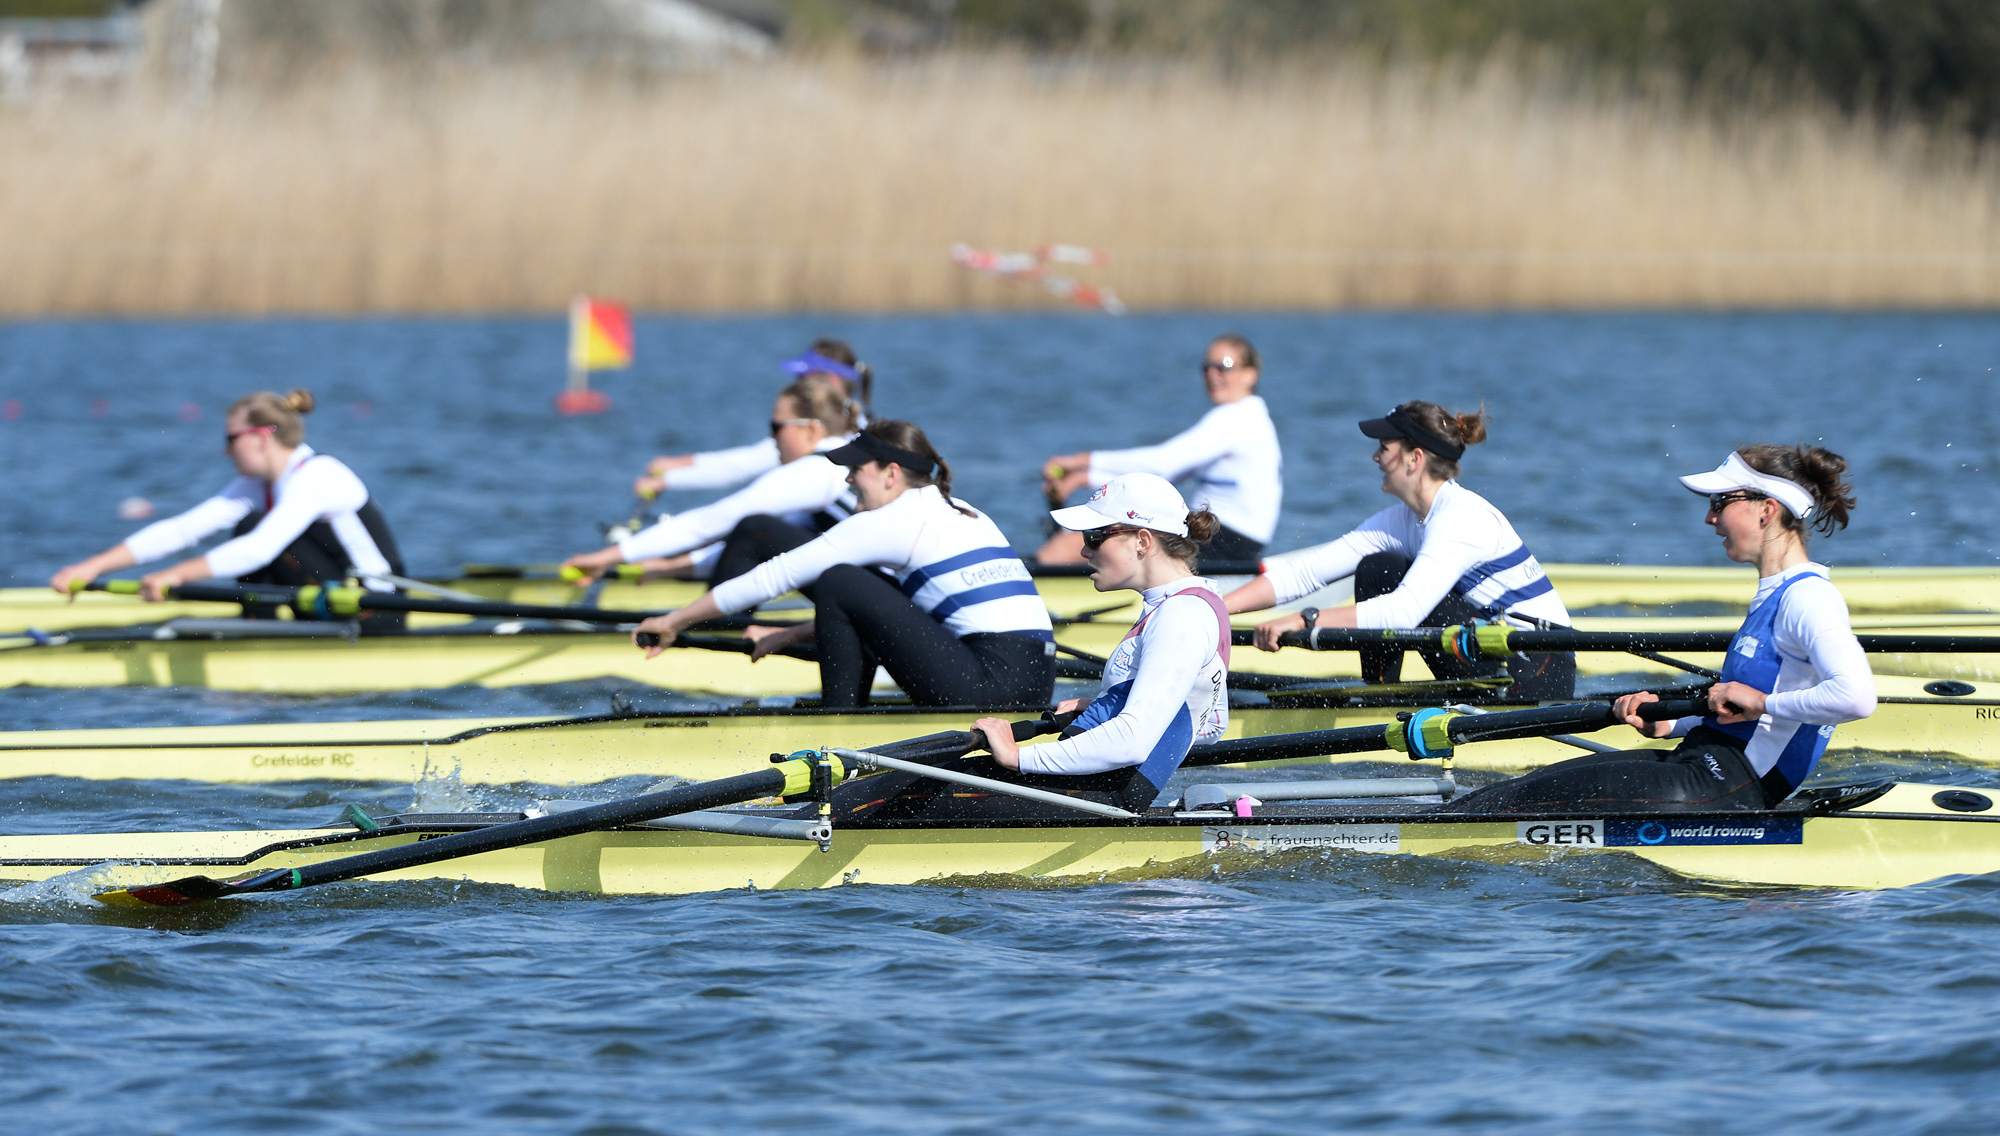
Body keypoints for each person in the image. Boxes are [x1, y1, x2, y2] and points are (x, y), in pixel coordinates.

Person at [1444, 445, 1875, 813]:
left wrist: (1763, 701)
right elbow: (1736, 712)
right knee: (1509, 791)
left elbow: (1855, 697)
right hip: (1703, 762)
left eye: (1719, 503)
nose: (1710, 518)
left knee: (1525, 801)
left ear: (1767, 509)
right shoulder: (1774, 594)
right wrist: (1671, 725)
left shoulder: (1809, 597)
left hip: (1734, 785)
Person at [831, 473, 1232, 822]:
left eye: (1095, 537)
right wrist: (1108, 704)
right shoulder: (1189, 603)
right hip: (1093, 783)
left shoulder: (1181, 617)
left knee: (893, 791)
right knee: (916, 775)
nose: (1084, 551)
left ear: (1143, 541)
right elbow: (1208, 722)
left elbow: (1134, 740)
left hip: (1099, 796)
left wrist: (1017, 757)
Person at [630, 420, 1054, 710]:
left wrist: (674, 620)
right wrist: (787, 635)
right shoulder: (964, 510)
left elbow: (773, 576)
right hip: (1033, 682)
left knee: (838, 579)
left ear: (891, 473)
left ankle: (839, 727)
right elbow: (896, 620)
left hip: (989, 684)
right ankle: (847, 717)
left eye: (856, 469)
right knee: (856, 588)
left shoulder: (891, 521)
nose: (848, 480)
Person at [1222, 401, 1573, 699]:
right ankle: (1377, 694)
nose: (1375, 457)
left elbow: (1403, 612)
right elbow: (1306, 573)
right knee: (1379, 567)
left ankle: (1378, 705)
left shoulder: (1461, 519)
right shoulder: (1402, 520)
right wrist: (1217, 610)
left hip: (1539, 670)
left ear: (1414, 459)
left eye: (1384, 447)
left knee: (1389, 575)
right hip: (1492, 652)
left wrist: (1306, 620)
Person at [48, 388, 407, 632]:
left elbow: (259, 549)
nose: (225, 451)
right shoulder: (259, 486)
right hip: (327, 602)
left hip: (374, 611)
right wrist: (90, 567)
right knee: (250, 522)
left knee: (254, 528)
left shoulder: (317, 476)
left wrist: (176, 575)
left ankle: (259, 636)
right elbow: (182, 531)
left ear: (261, 437)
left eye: (230, 439)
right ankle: (258, 630)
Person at [560, 376, 858, 586]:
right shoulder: (836, 462)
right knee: (754, 531)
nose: (770, 438)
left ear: (811, 430)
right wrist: (665, 568)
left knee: (753, 526)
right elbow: (748, 548)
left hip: (887, 597)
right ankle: (722, 627)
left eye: (776, 426)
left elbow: (711, 522)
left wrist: (604, 557)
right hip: (871, 589)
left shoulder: (817, 470)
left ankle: (721, 635)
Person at [1036, 334, 1280, 566]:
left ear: (1250, 374)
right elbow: (1163, 478)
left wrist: (1081, 460)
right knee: (1100, 532)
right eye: (1207, 367)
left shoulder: (1238, 419)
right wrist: (1082, 478)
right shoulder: (1248, 419)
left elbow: (1162, 462)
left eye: (1224, 365)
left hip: (1224, 542)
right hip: (1227, 541)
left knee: (1067, 547)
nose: (1212, 374)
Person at [633, 339, 871, 499]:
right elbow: (747, 460)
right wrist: (680, 463)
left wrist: (667, 480)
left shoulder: (822, 431)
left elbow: (743, 467)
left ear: (831, 381)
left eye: (802, 377)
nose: (795, 386)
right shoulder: (858, 422)